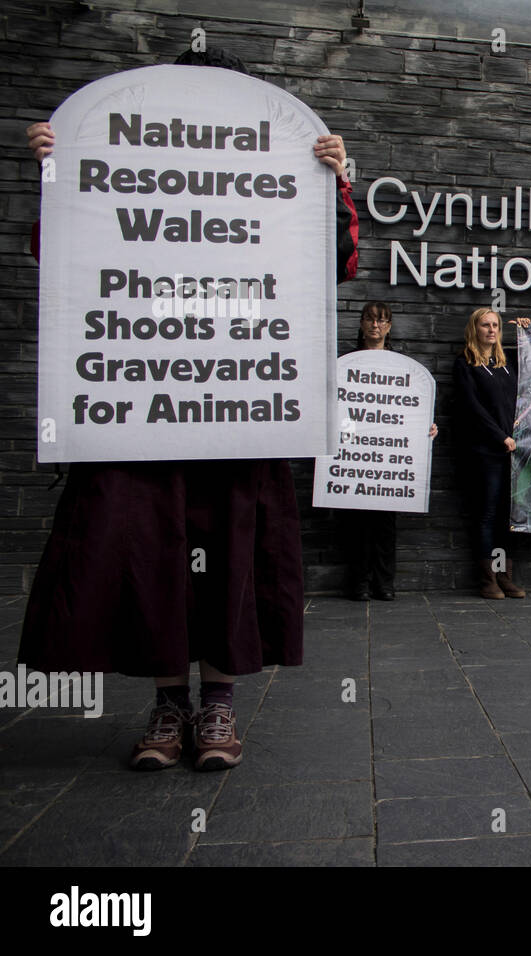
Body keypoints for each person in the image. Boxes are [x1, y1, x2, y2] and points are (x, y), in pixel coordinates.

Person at [18, 46, 359, 772]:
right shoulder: (107, 153)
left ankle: (219, 704)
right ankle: (170, 705)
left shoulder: (290, 164)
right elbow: (62, 254)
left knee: (230, 555)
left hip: (240, 402)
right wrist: (57, 168)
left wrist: (329, 184)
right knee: (154, 555)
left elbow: (331, 264)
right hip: (143, 402)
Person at [338, 301, 436, 601]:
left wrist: (426, 427)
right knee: (357, 524)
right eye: (370, 319)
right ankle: (359, 582)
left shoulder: (400, 367)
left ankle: (383, 583)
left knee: (384, 524)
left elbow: (408, 409)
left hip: (388, 458)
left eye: (381, 321)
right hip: (356, 454)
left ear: (389, 327)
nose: (375, 325)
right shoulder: (346, 364)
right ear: (361, 324)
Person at [452, 308, 530, 599]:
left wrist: (525, 332)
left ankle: (504, 576)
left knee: (506, 517)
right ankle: (487, 580)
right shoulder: (465, 364)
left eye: (495, 325)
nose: (491, 330)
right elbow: (472, 408)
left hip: (511, 452)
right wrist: (500, 437)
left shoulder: (505, 363)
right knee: (486, 514)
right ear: (475, 329)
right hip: (485, 452)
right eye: (485, 325)